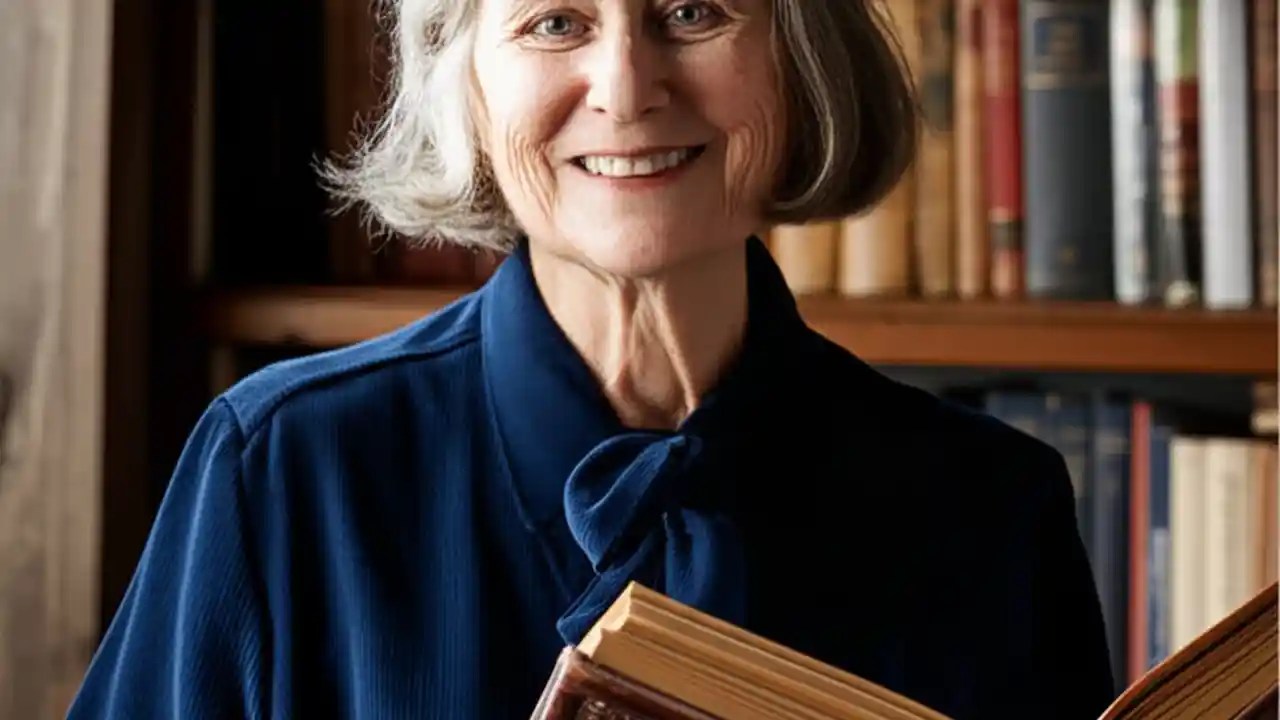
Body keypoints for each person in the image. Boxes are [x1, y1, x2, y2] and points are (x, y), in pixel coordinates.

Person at [69, 0, 1116, 717]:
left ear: (802, 58)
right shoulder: (284, 466)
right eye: (555, 21)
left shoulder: (991, 506)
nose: (625, 86)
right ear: (464, 86)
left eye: (695, 11)